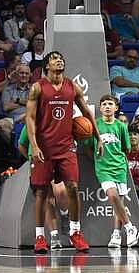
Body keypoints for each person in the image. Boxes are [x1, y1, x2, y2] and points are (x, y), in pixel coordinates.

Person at [26, 51, 100, 254]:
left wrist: (98, 136)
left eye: (61, 58)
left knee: (73, 188)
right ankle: (40, 236)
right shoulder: (37, 88)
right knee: (41, 193)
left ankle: (76, 232)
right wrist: (34, 145)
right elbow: (30, 118)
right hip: (45, 149)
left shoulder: (71, 86)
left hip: (67, 147)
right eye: (54, 59)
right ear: (47, 66)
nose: (60, 60)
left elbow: (86, 112)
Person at [90, 95, 138, 248]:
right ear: (100, 107)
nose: (107, 106)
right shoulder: (94, 125)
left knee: (118, 204)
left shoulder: (121, 126)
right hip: (103, 168)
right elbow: (88, 146)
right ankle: (130, 227)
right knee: (112, 195)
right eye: (104, 104)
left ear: (116, 108)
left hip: (119, 167)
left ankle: (116, 234)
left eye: (110, 104)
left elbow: (126, 148)